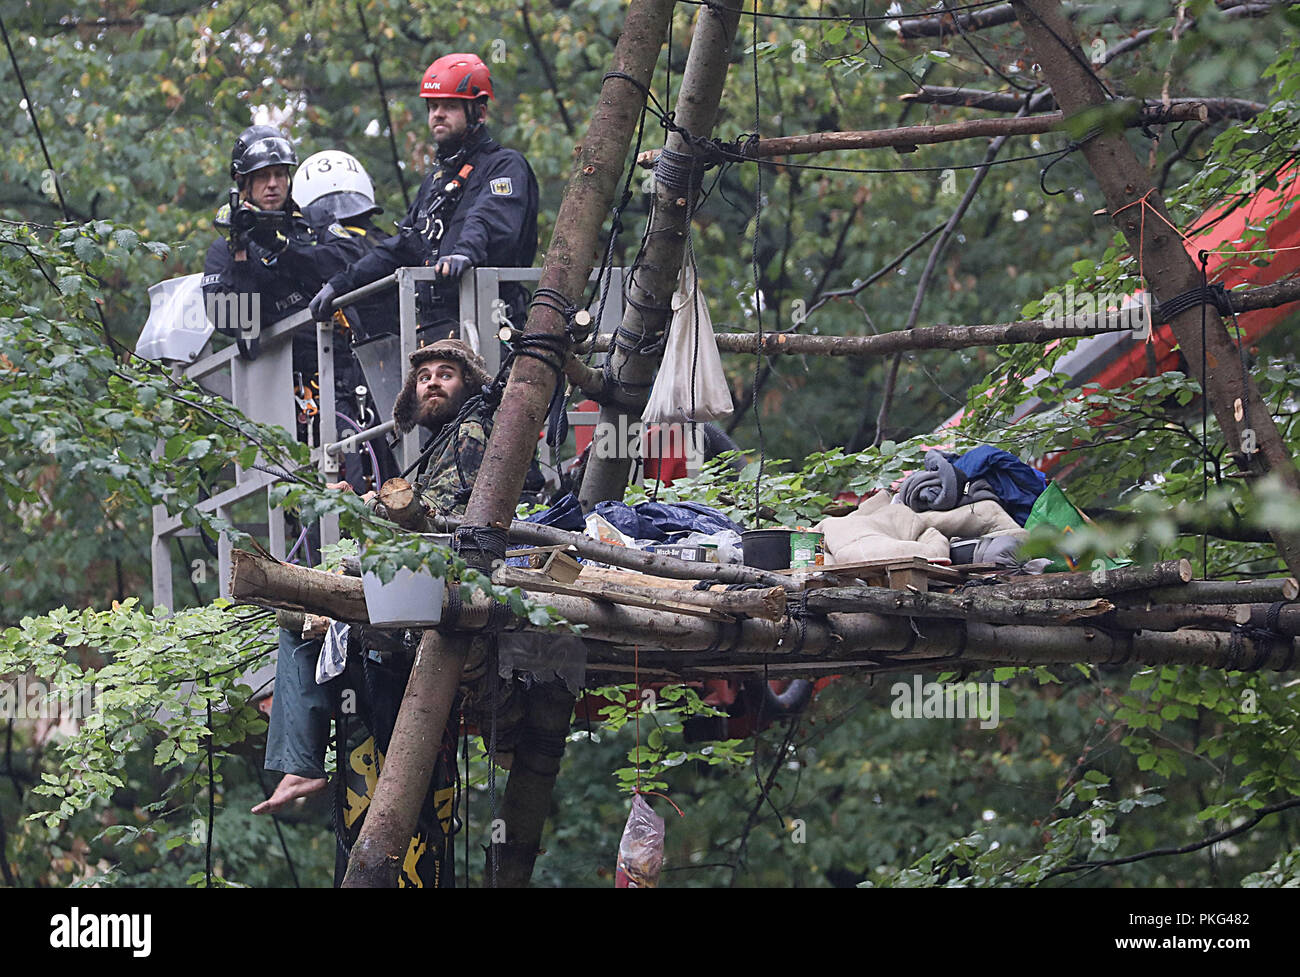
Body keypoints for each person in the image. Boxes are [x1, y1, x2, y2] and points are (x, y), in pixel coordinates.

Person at [253, 338, 494, 816]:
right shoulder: (443, 439)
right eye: (424, 377)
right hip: (421, 572)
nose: (432, 384)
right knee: (299, 618)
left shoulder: (472, 430)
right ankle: (301, 763)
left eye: (445, 374)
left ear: (468, 383)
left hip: (442, 580)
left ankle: (301, 764)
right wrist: (366, 505)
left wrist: (375, 508)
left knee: (297, 617)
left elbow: (448, 513)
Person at [308, 53, 539, 342]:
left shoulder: (505, 165)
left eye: (450, 106)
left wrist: (465, 252)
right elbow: (403, 245)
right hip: (437, 330)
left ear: (479, 112)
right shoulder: (436, 181)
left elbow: (490, 218)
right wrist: (341, 283)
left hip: (493, 323)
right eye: (433, 106)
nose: (438, 114)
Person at [202, 125, 367, 369]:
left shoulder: (314, 219)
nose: (273, 184)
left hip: (350, 360)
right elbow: (233, 322)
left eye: (279, 174)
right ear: (242, 182)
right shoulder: (222, 249)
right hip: (285, 380)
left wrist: (282, 248)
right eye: (262, 176)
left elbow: (354, 261)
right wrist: (240, 255)